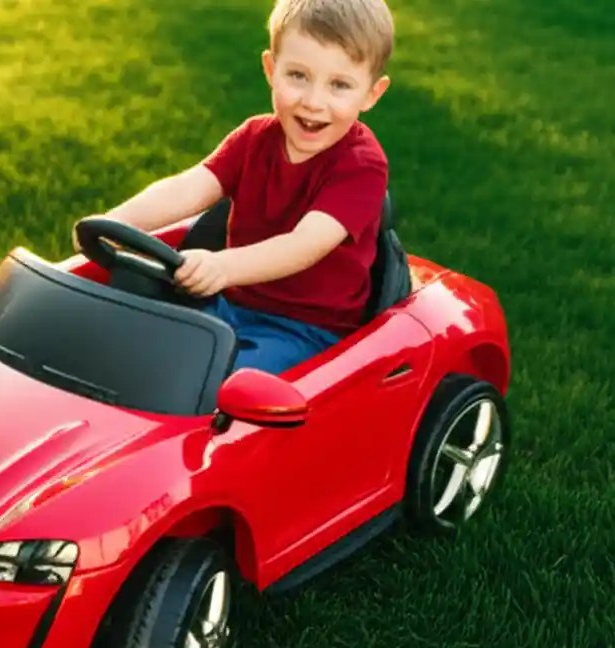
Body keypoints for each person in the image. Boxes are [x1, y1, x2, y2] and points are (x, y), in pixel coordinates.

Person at [77, 0, 394, 375]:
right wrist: (118, 220)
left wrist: (224, 267)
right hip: (226, 303)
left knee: (212, 383)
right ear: (271, 70)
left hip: (305, 329)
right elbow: (189, 188)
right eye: (298, 76)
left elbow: (304, 245)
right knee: (126, 342)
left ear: (372, 94)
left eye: (339, 85)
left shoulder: (361, 164)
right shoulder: (255, 138)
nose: (313, 101)